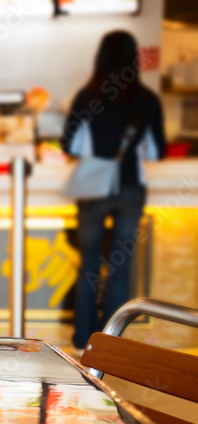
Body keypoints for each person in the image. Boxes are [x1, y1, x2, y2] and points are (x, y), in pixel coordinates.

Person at [61, 30, 166, 351]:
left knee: (90, 264)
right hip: (131, 187)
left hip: (94, 189)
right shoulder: (147, 100)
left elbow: (68, 143)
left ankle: (82, 340)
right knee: (121, 268)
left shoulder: (87, 97)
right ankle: (112, 346)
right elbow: (156, 151)